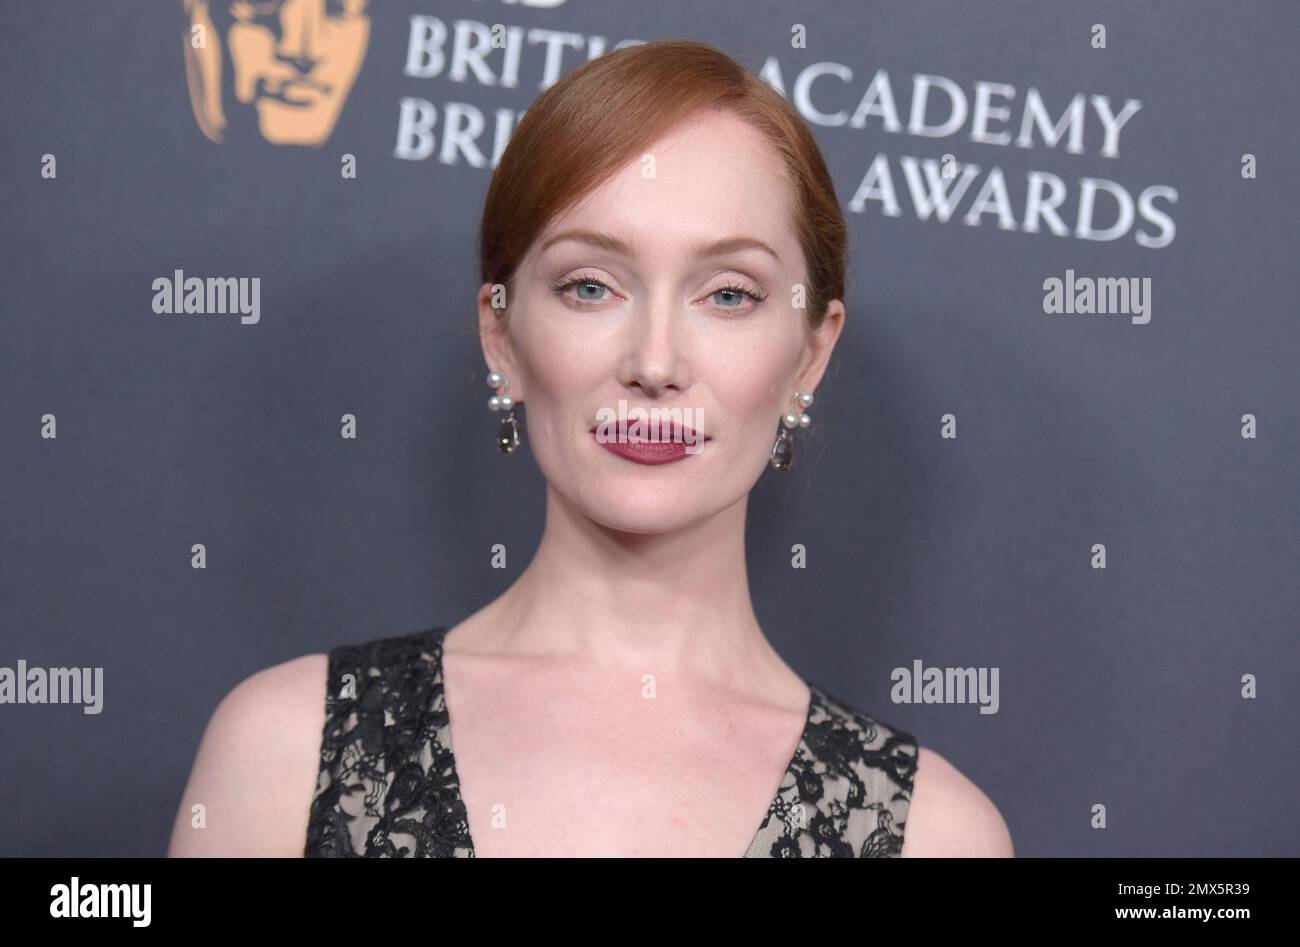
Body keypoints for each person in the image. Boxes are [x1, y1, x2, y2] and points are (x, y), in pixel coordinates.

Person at [168, 38, 1013, 858]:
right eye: (590, 286)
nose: (653, 364)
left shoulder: (933, 836)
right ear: (501, 335)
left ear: (809, 355)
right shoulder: (288, 752)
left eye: (728, 293)